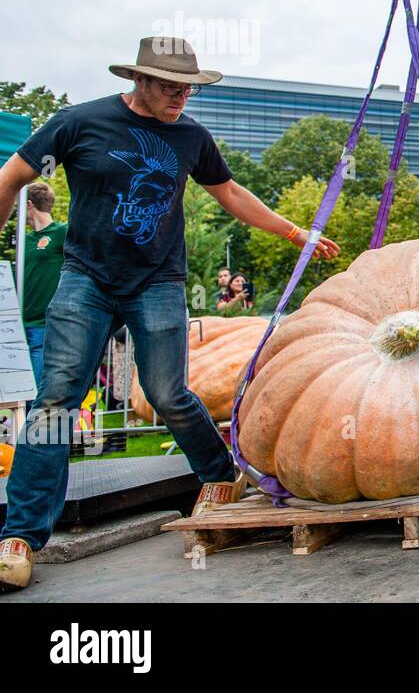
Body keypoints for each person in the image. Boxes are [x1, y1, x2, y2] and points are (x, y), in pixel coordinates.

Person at [0, 37, 340, 592]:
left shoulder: (190, 136)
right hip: (85, 279)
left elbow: (229, 192)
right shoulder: (77, 123)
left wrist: (296, 231)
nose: (181, 97)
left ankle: (217, 474)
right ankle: (19, 536)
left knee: (167, 393)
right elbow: (12, 177)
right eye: (169, 87)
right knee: (58, 395)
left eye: (188, 88)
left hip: (158, 281)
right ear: (139, 81)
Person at [20, 182, 65, 410]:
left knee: (36, 389)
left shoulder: (61, 233)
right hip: (18, 325)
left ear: (29, 204)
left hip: (43, 325)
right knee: (16, 387)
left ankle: (34, 440)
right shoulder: (23, 240)